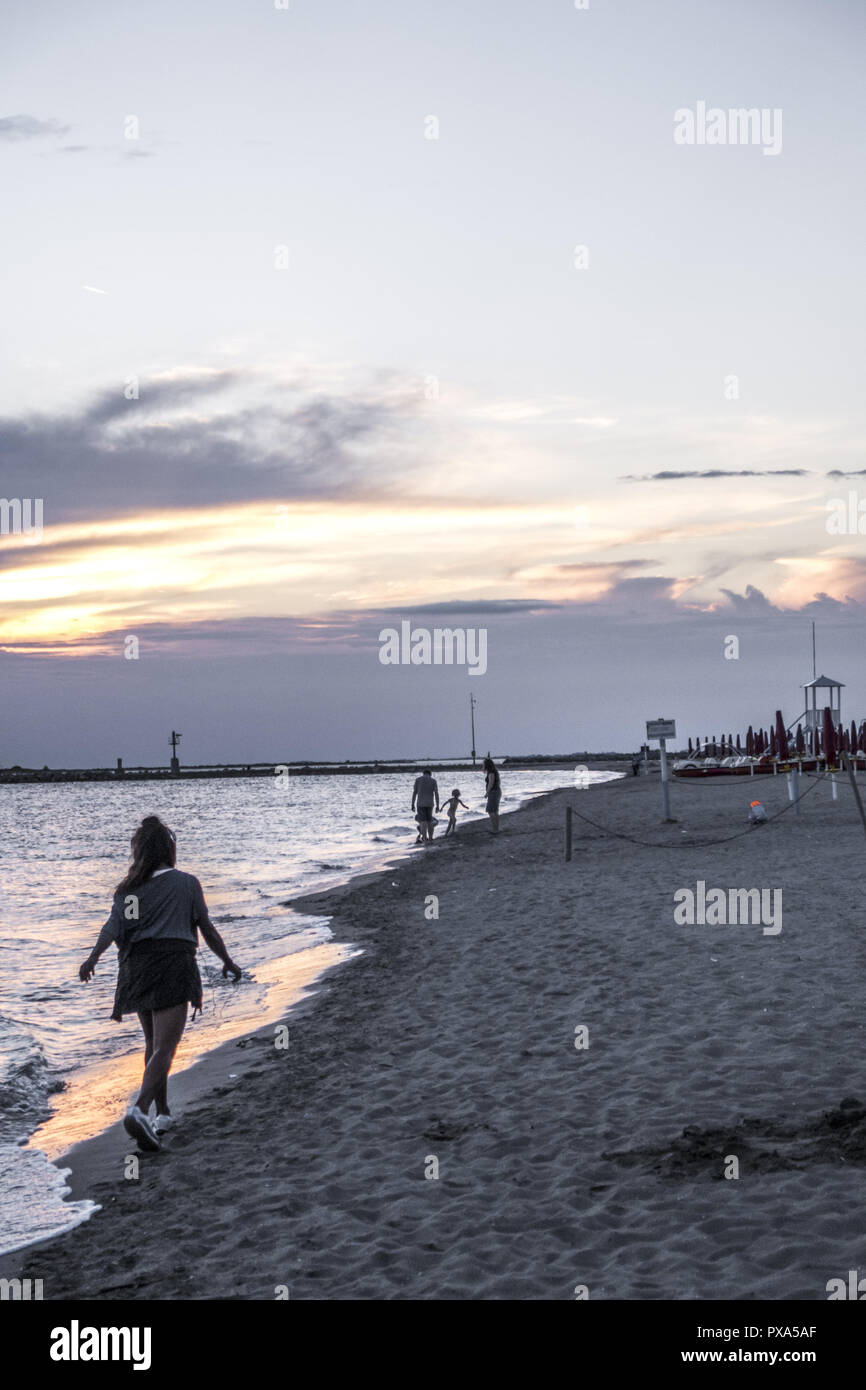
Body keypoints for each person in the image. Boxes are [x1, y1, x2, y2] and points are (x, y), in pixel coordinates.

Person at [79, 815, 242, 1153]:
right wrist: (227, 960)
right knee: (165, 1049)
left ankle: (162, 1113)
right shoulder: (186, 884)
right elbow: (206, 929)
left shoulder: (132, 890)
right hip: (172, 965)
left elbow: (116, 928)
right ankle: (139, 1110)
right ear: (170, 850)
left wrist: (92, 959)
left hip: (136, 970)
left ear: (140, 853)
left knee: (154, 1046)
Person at [411, 768, 440, 844]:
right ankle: (430, 838)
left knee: (423, 822)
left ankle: (424, 839)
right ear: (430, 774)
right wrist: (437, 805)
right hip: (430, 803)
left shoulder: (418, 780)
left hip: (420, 804)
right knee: (430, 821)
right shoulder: (433, 781)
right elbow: (436, 794)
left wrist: (412, 804)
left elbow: (414, 793)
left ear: (423, 773)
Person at [483, 755, 501, 833]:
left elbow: (491, 783)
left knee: (491, 811)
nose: (483, 765)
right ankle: (496, 829)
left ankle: (495, 829)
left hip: (493, 792)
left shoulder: (491, 772)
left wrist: (487, 793)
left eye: (484, 764)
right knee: (495, 811)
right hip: (497, 791)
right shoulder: (494, 771)